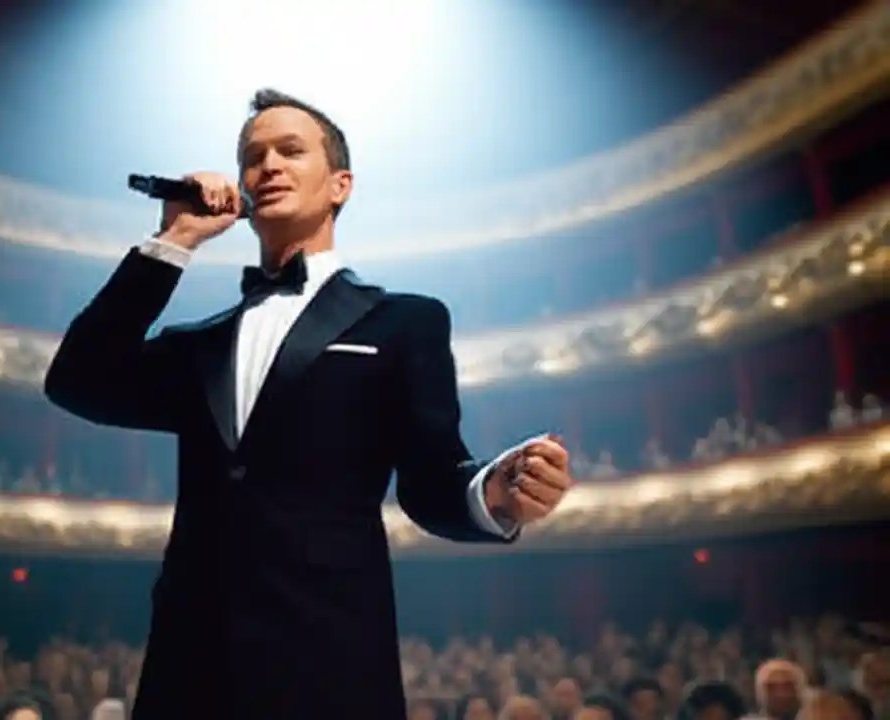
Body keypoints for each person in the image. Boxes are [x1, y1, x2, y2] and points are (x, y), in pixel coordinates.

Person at [45, 88, 573, 719]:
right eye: (252, 156)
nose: (267, 165)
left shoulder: (404, 322)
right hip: (188, 670)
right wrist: (176, 238)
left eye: (291, 150)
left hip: (331, 664)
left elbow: (430, 479)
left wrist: (494, 493)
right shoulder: (200, 346)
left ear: (340, 184)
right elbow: (77, 378)